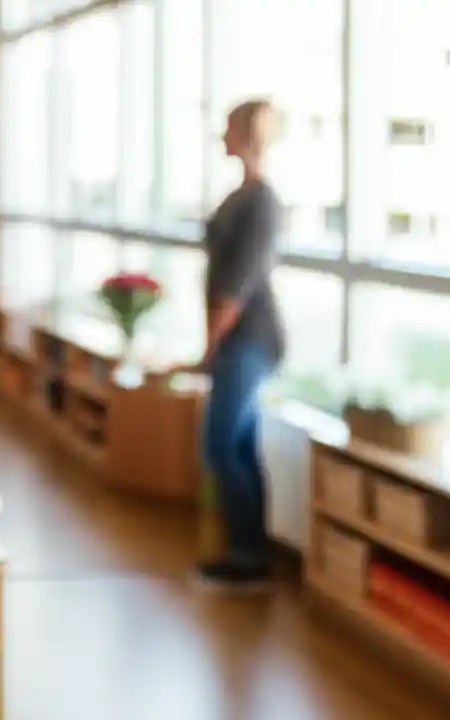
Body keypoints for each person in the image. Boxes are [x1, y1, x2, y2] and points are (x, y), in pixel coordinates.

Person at [196, 99, 284, 589]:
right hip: (235, 337)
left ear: (246, 133)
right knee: (238, 444)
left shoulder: (262, 202)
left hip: (250, 338)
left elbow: (239, 281)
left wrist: (212, 340)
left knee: (222, 444)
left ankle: (248, 556)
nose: (222, 134)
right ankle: (247, 551)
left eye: (229, 127)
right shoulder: (242, 194)